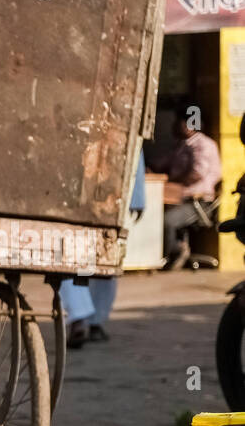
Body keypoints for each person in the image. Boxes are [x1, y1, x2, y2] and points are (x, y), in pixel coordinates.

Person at [60, 150, 144, 348]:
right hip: (101, 194)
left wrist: (137, 196)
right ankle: (93, 320)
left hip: (90, 193)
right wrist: (137, 198)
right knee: (99, 257)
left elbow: (135, 148)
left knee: (72, 256)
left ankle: (82, 317)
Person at [148, 102, 221, 268]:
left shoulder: (203, 145)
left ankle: (175, 252)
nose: (174, 126)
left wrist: (174, 182)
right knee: (153, 212)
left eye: (178, 121)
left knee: (166, 221)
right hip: (181, 198)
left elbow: (197, 173)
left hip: (198, 202)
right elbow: (164, 163)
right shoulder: (183, 145)